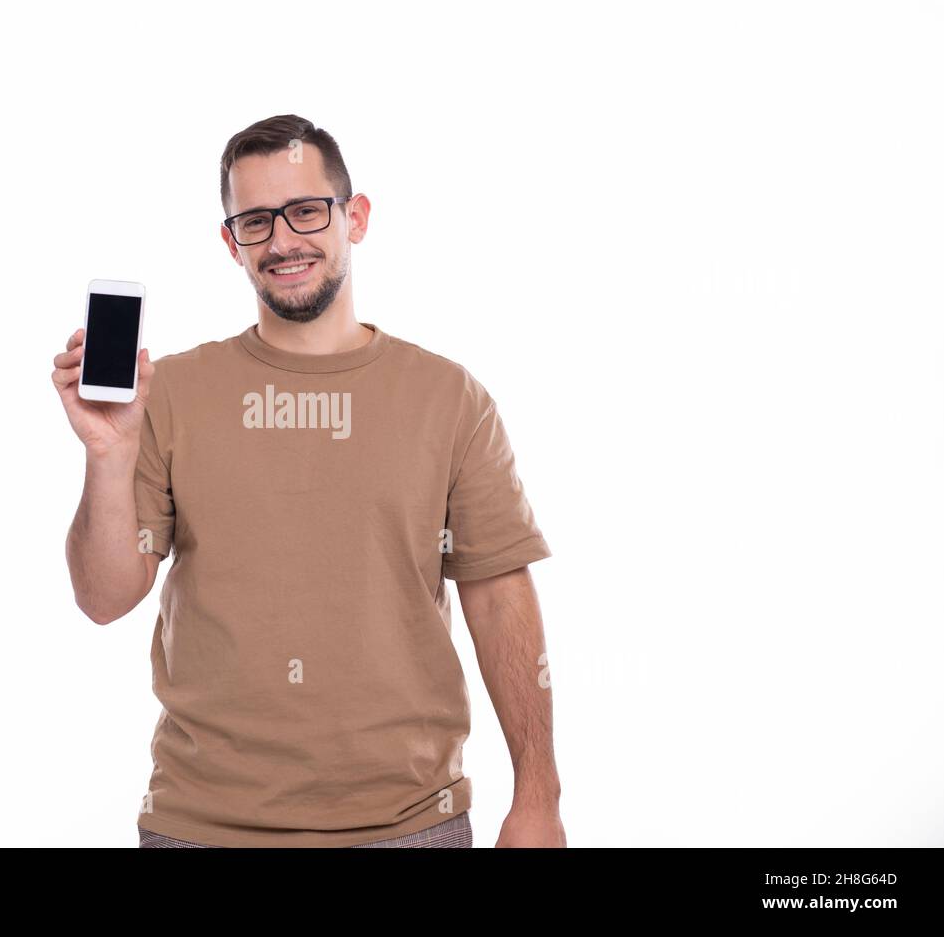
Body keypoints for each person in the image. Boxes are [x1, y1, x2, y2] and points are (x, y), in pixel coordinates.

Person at [52, 114, 566, 848]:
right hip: (202, 827)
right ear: (231, 243)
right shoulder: (166, 395)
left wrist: (539, 797)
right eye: (255, 221)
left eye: (305, 211)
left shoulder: (449, 398)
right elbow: (104, 599)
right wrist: (107, 455)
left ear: (353, 218)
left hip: (409, 825)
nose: (283, 241)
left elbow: (498, 597)